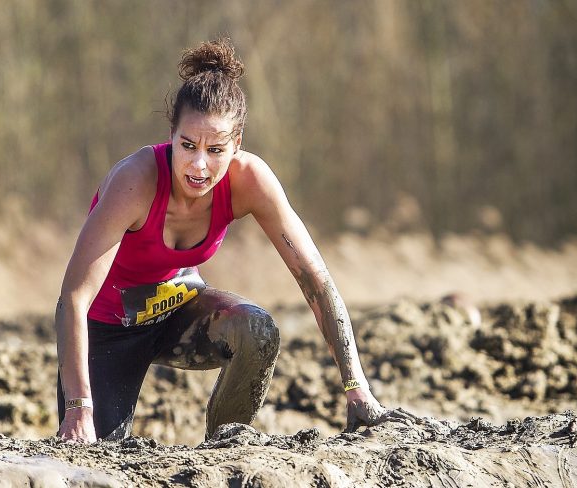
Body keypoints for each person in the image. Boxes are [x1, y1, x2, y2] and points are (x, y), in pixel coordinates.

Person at [55, 38, 413, 443]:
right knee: (97, 452)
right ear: (171, 134)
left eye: (216, 149)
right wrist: (78, 407)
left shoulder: (250, 181)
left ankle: (223, 450)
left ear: (237, 144)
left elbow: (316, 279)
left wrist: (357, 389)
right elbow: (72, 298)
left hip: (177, 308)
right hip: (109, 329)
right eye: (187, 145)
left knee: (257, 330)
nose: (198, 164)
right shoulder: (135, 183)